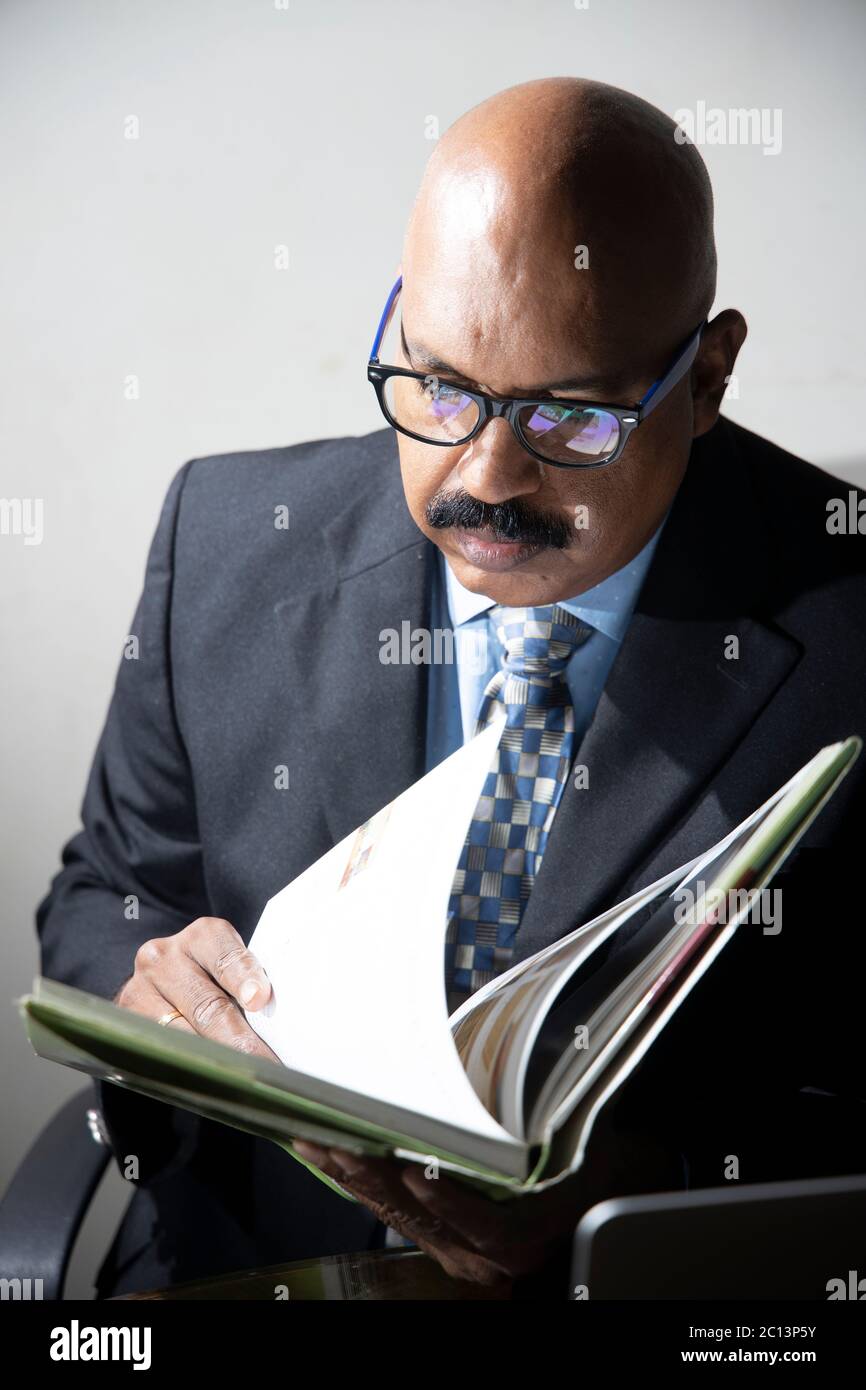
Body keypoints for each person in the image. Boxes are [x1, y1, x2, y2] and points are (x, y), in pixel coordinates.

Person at [38, 76, 866, 1299]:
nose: (481, 478)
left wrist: (658, 1181)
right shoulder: (219, 539)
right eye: (438, 385)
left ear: (704, 378)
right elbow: (103, 890)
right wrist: (154, 983)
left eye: (568, 417)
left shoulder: (843, 626)